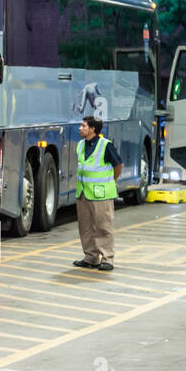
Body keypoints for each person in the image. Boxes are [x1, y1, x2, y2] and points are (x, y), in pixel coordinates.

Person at [73, 115, 122, 271]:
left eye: (83, 126)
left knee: (103, 226)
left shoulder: (105, 145)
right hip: (83, 193)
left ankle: (107, 258)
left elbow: (118, 165)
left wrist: (111, 180)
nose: (80, 128)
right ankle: (91, 257)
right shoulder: (80, 145)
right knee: (85, 227)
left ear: (92, 129)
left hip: (101, 194)